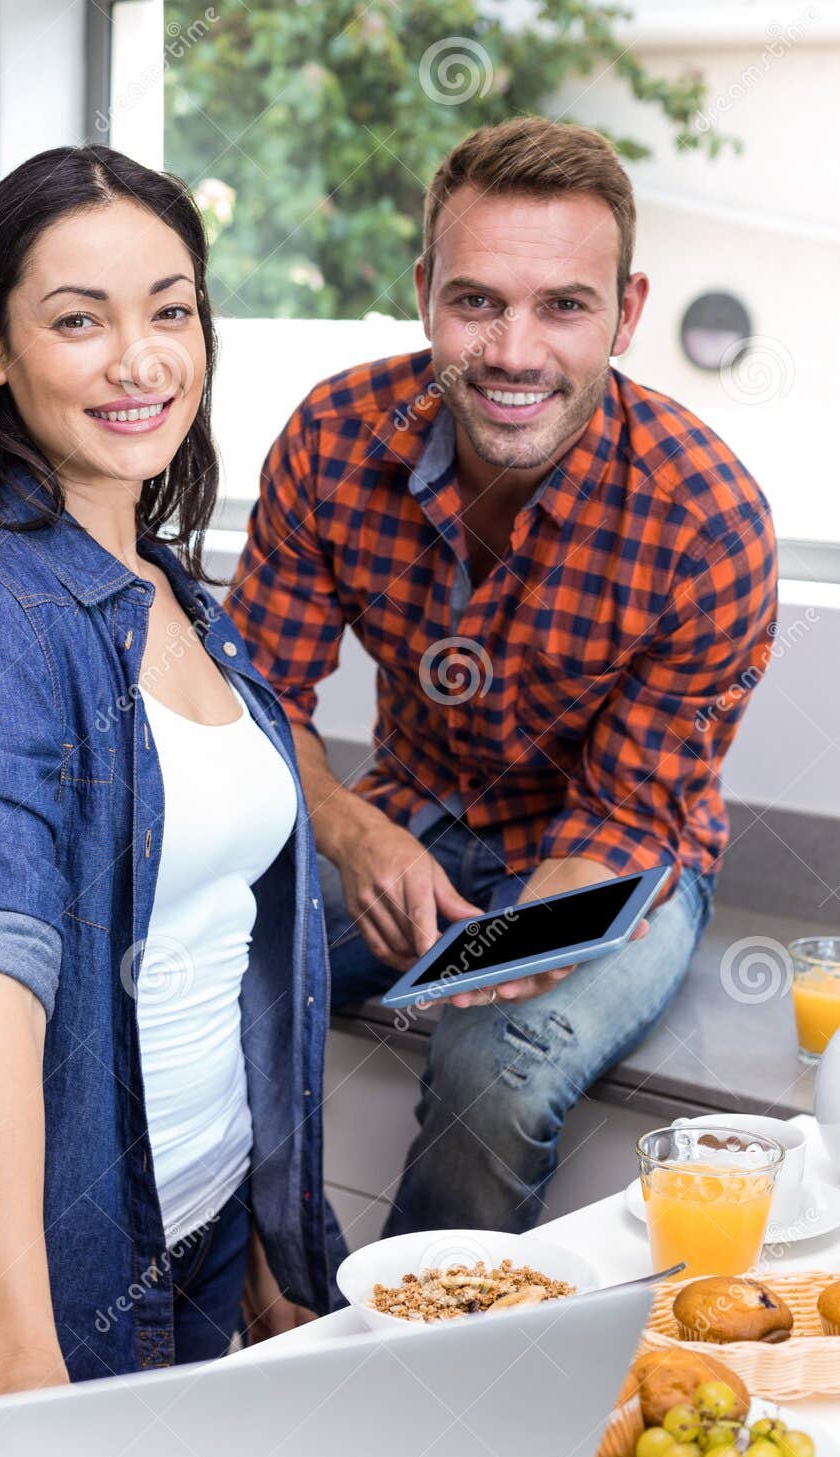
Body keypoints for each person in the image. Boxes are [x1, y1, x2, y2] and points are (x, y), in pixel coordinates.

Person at [0, 145, 343, 1409]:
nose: (141, 359)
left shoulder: (173, 588)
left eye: (170, 309)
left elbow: (215, 942)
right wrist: (17, 1364)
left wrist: (255, 1232)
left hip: (201, 1230)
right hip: (55, 1291)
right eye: (79, 320)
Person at [226, 115, 778, 1237]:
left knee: (495, 1069)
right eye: (477, 301)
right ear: (425, 291)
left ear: (623, 314)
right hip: (408, 812)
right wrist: (348, 828)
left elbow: (626, 815)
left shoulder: (706, 523)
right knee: (197, 973)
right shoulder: (334, 438)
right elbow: (252, 702)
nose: (514, 351)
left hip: (614, 856)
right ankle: (262, 1297)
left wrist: (505, 949)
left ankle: (398, 1386)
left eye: (562, 306)